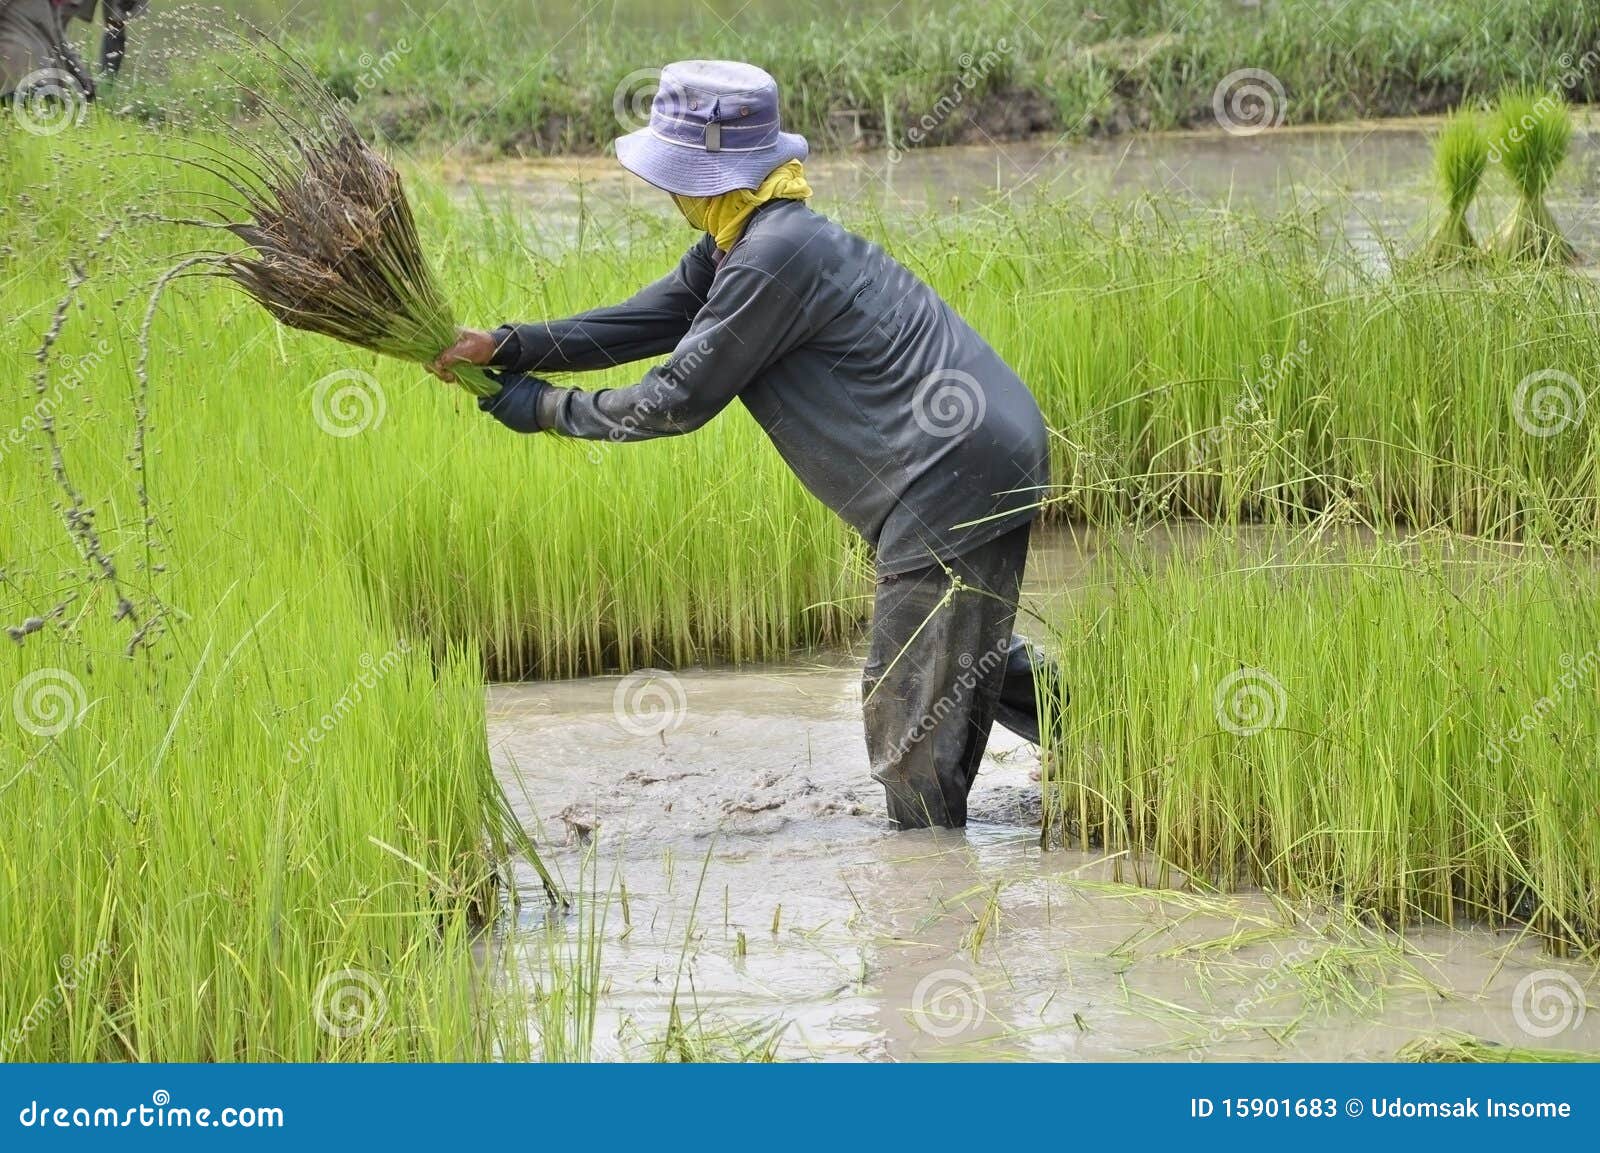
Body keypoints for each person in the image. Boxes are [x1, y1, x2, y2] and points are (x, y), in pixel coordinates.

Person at [431, 60, 1065, 829]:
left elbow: (675, 399)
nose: (662, 189)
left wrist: (545, 409)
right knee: (965, 658)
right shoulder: (747, 238)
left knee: (907, 722)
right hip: (979, 452)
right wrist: (507, 344)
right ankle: (1129, 736)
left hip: (949, 473)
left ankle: (927, 898)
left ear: (701, 176)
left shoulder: (773, 254)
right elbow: (647, 318)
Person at [0, 0, 141, 101]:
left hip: (41, 86)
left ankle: (105, 90)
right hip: (17, 80)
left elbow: (60, 40)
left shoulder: (51, 10)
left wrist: (82, 76)